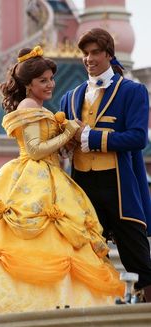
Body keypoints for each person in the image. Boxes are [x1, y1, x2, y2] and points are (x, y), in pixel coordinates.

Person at [0, 45, 124, 321]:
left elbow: (50, 150)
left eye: (51, 78)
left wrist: (66, 139)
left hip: (50, 178)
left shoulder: (40, 108)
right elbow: (36, 149)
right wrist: (68, 134)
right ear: (28, 85)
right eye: (43, 80)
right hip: (32, 177)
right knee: (25, 239)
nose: (50, 84)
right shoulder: (28, 107)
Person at [60, 28, 151, 302]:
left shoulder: (132, 91)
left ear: (109, 55)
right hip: (82, 187)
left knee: (139, 259)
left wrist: (92, 138)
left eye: (95, 52)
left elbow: (137, 138)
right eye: (85, 54)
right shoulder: (69, 97)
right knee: (84, 255)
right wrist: (65, 145)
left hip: (119, 185)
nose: (89, 58)